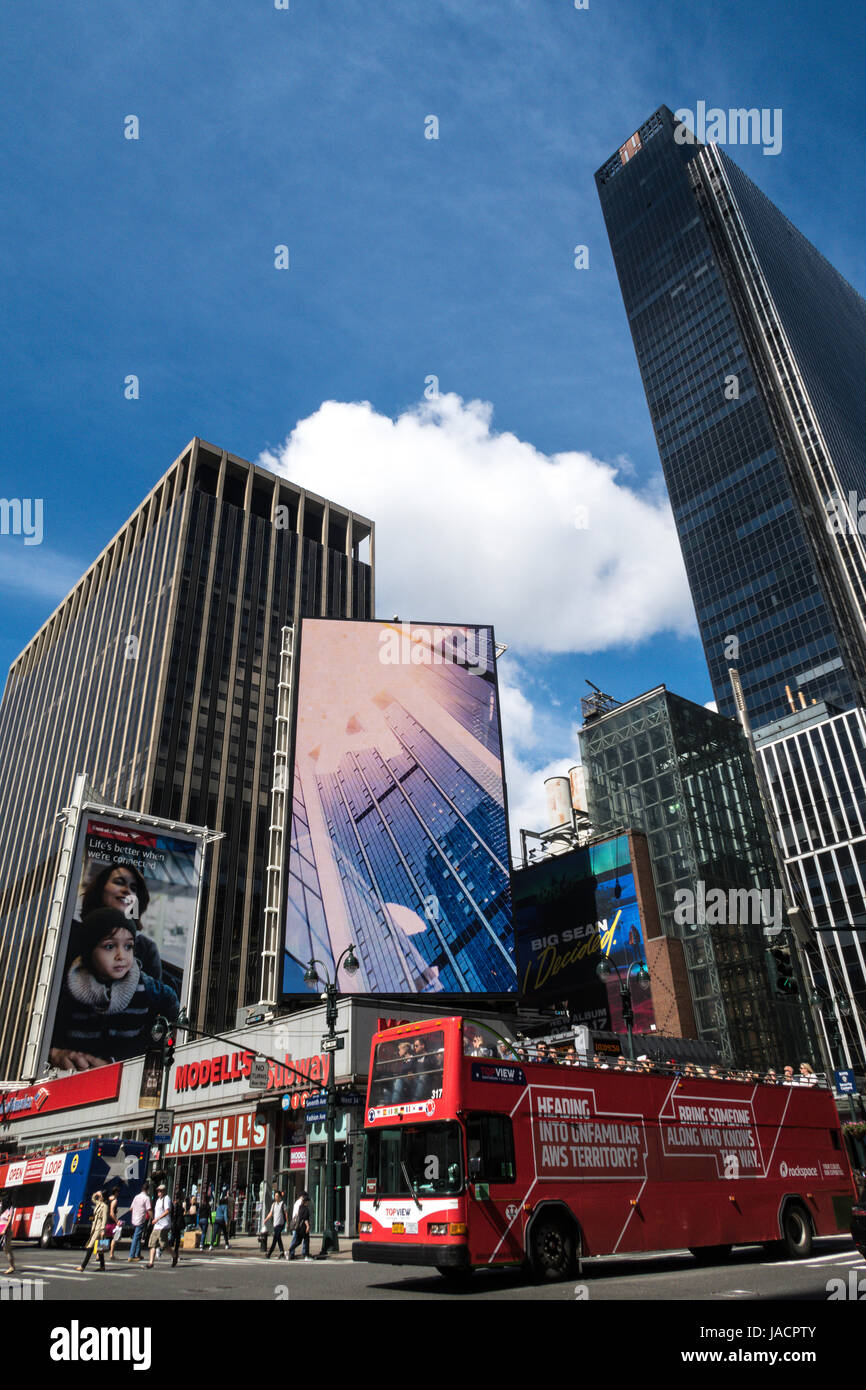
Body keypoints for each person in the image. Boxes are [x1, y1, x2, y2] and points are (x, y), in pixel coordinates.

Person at [49, 908, 179, 1072]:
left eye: (128, 946)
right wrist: (55, 1052)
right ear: (88, 951)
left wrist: (169, 1035)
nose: (121, 955)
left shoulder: (144, 984)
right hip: (80, 1069)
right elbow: (55, 1026)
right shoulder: (70, 986)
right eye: (109, 946)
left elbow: (170, 999)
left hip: (128, 1065)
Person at [73, 861, 162, 979]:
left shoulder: (147, 949)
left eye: (133, 888)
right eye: (119, 882)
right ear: (100, 888)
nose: (127, 890)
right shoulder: (72, 933)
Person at [77, 1190, 108, 1272]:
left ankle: (83, 1266)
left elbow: (104, 1218)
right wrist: (96, 1193)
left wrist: (103, 1229)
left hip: (99, 1229)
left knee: (90, 1246)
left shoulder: (104, 1206)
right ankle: (102, 1266)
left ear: (103, 1197)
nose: (99, 1197)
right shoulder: (99, 1204)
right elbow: (93, 1199)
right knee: (100, 1248)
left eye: (101, 1196)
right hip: (94, 1228)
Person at [145, 1184, 172, 1268]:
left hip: (164, 1225)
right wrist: (154, 1219)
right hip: (157, 1226)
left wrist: (158, 1219)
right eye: (158, 1191)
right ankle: (151, 1263)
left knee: (163, 1244)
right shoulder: (158, 1200)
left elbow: (167, 1211)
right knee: (152, 1243)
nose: (158, 1192)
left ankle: (174, 1255)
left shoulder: (166, 1199)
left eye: (160, 1191)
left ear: (164, 1191)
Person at [128, 1181, 152, 1261]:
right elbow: (149, 1209)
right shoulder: (146, 1198)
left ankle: (137, 1254)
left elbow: (131, 1208)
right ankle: (131, 1255)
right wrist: (153, 1218)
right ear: (147, 1190)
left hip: (134, 1219)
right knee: (136, 1237)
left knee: (138, 1237)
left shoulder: (136, 1197)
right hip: (141, 1219)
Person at [288, 1191, 312, 1261]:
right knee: (299, 1239)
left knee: (297, 1240)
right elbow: (304, 1218)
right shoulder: (302, 1205)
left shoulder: (298, 1204)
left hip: (298, 1224)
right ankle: (301, 1253)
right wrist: (307, 1226)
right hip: (301, 1225)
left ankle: (291, 1251)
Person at [264, 1190, 288, 1259]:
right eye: (275, 1196)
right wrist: (266, 1219)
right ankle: (282, 1252)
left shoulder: (283, 1204)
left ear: (280, 1197)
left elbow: (286, 1213)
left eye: (277, 1196)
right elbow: (270, 1213)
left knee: (275, 1239)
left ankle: (269, 1253)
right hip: (275, 1224)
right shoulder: (273, 1204)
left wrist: (287, 1223)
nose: (276, 1197)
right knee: (278, 1238)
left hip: (280, 1224)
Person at [170, 1190, 186, 1267]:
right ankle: (161, 1249)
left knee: (177, 1241)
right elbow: (174, 1216)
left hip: (176, 1225)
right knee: (173, 1241)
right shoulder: (176, 1204)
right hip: (175, 1225)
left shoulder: (178, 1204)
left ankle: (175, 1257)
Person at [0, 1194, 15, 1276]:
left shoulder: (10, 1209)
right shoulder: (3, 1210)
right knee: (6, 1249)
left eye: (2, 1201)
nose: (1, 1202)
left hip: (6, 1231)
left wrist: (5, 1229)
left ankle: (12, 1266)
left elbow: (9, 1220)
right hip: (1, 1230)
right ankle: (12, 1266)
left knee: (7, 1248)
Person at [105, 1184, 121, 1260]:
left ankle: (99, 1255)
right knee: (114, 1238)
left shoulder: (108, 1199)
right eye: (118, 1192)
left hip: (106, 1221)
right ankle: (111, 1254)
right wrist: (117, 1221)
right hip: (111, 1222)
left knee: (104, 1238)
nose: (118, 1194)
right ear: (116, 1192)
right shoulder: (115, 1200)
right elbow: (111, 1213)